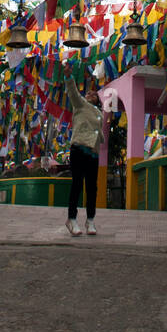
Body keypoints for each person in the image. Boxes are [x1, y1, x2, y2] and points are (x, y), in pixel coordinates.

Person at [62, 59, 103, 235]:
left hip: (93, 153)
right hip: (79, 148)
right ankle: (71, 219)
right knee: (77, 184)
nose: (90, 93)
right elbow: (72, 92)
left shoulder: (100, 113)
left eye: (93, 93)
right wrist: (69, 76)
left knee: (92, 188)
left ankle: (90, 221)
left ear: (98, 100)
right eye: (88, 92)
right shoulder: (80, 105)